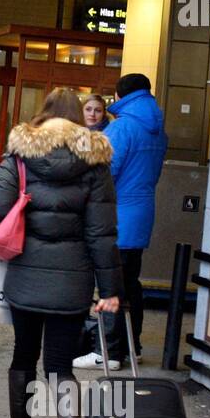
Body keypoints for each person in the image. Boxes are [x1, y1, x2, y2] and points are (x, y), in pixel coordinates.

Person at [0, 88, 122, 418]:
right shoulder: (95, 162)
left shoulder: (21, 152)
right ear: (79, 117)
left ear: (43, 114)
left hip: (27, 274)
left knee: (24, 354)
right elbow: (102, 234)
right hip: (73, 281)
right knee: (60, 364)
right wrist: (110, 288)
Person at [75, 74, 168, 370]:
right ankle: (132, 347)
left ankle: (109, 352)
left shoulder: (122, 127)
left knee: (110, 286)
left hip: (118, 218)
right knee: (131, 284)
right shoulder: (157, 128)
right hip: (141, 214)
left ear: (120, 94)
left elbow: (105, 174)